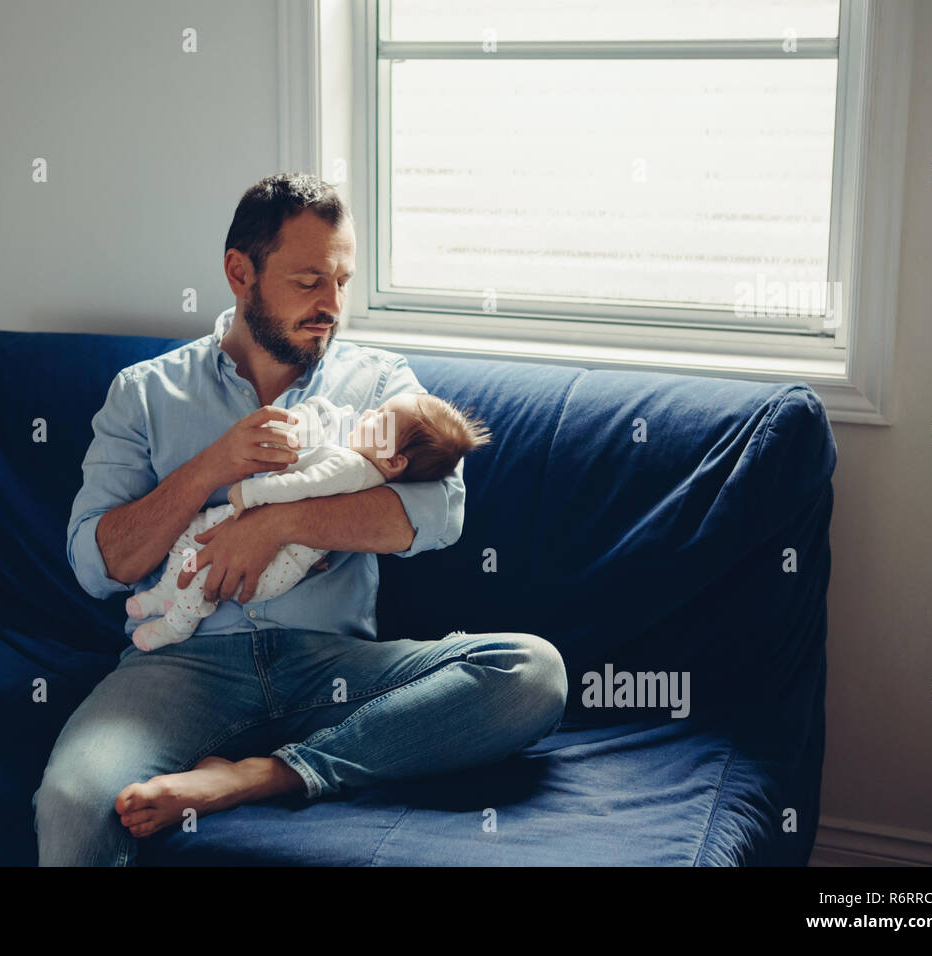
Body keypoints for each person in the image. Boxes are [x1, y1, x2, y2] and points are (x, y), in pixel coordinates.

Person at [34, 172, 567, 865]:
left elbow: (439, 513)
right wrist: (210, 467)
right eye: (309, 280)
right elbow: (97, 566)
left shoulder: (378, 383)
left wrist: (279, 524)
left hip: (334, 668)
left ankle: (265, 776)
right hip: (183, 667)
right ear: (239, 273)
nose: (332, 305)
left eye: (343, 281)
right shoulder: (144, 394)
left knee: (533, 672)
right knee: (74, 802)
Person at [125, 392, 492, 651]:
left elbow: (305, 483)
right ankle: (164, 594)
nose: (366, 416)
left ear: (395, 462)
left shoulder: (351, 467)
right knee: (193, 537)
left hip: (278, 564)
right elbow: (323, 424)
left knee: (205, 569)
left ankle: (176, 624)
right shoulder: (360, 460)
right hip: (275, 548)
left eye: (378, 420)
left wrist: (254, 497)